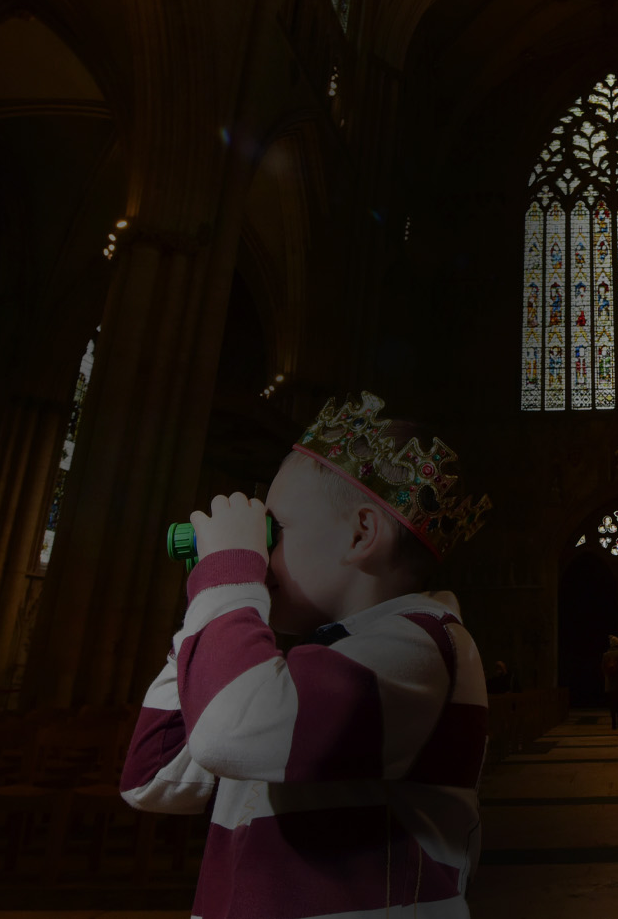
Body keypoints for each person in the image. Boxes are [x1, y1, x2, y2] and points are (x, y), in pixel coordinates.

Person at [121, 392, 493, 919]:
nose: (262, 550)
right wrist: (211, 608)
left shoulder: (423, 644)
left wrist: (229, 576)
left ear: (362, 533)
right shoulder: (296, 663)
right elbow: (153, 779)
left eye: (275, 529)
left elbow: (230, 731)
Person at [603, 636, 618, 729]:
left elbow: (603, 669)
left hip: (610, 682)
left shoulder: (606, 655)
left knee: (612, 703)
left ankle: (613, 722)